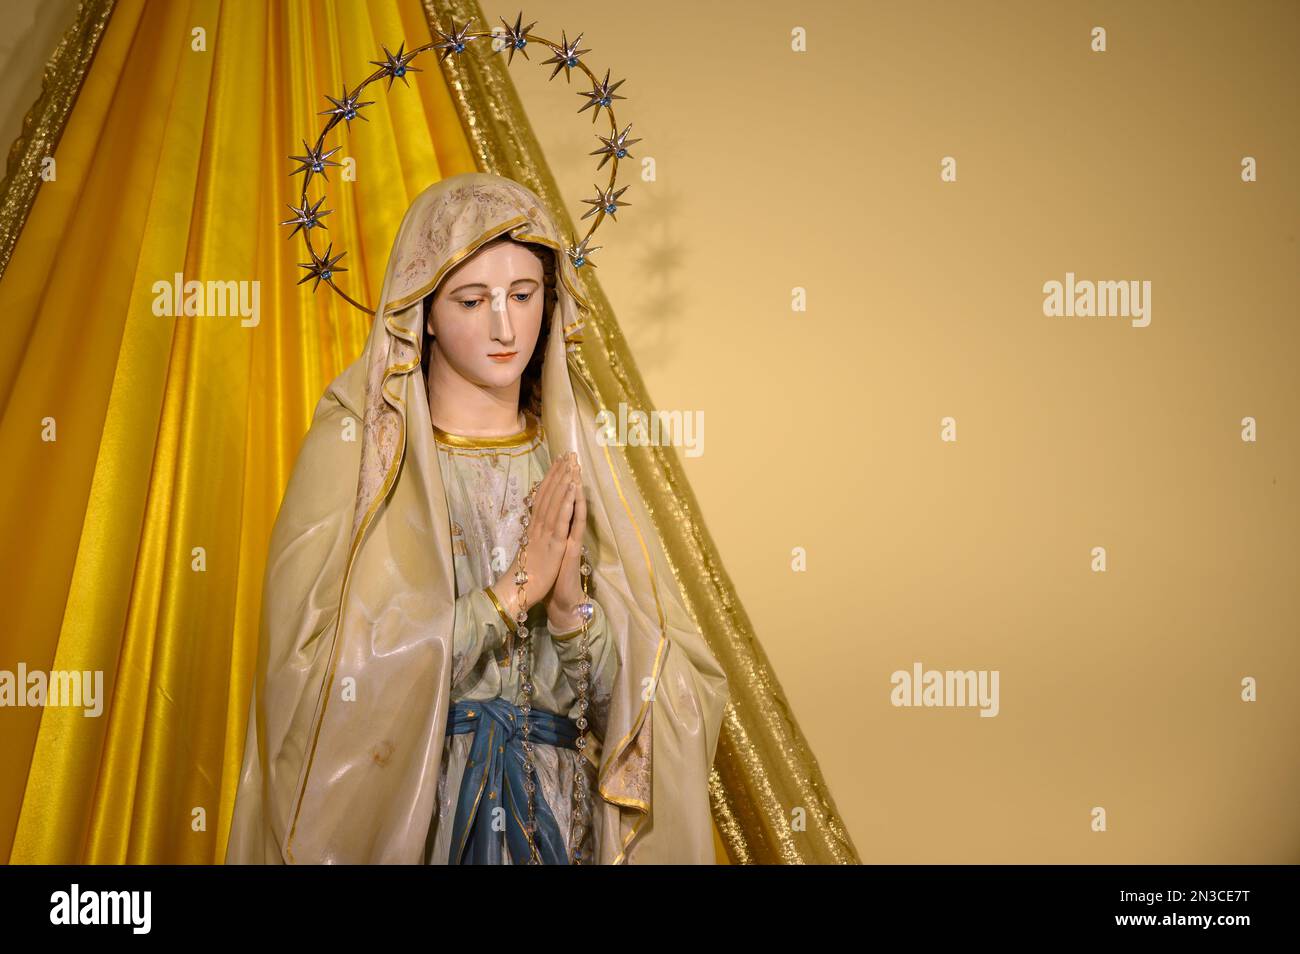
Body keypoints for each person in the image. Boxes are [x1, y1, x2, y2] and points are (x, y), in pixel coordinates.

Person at [226, 171, 729, 864]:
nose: (504, 325)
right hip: (419, 813)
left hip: (560, 819)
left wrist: (568, 607)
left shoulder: (579, 454)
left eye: (523, 296)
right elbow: (312, 675)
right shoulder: (359, 452)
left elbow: (648, 702)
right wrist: (510, 593)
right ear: (424, 309)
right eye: (472, 299)